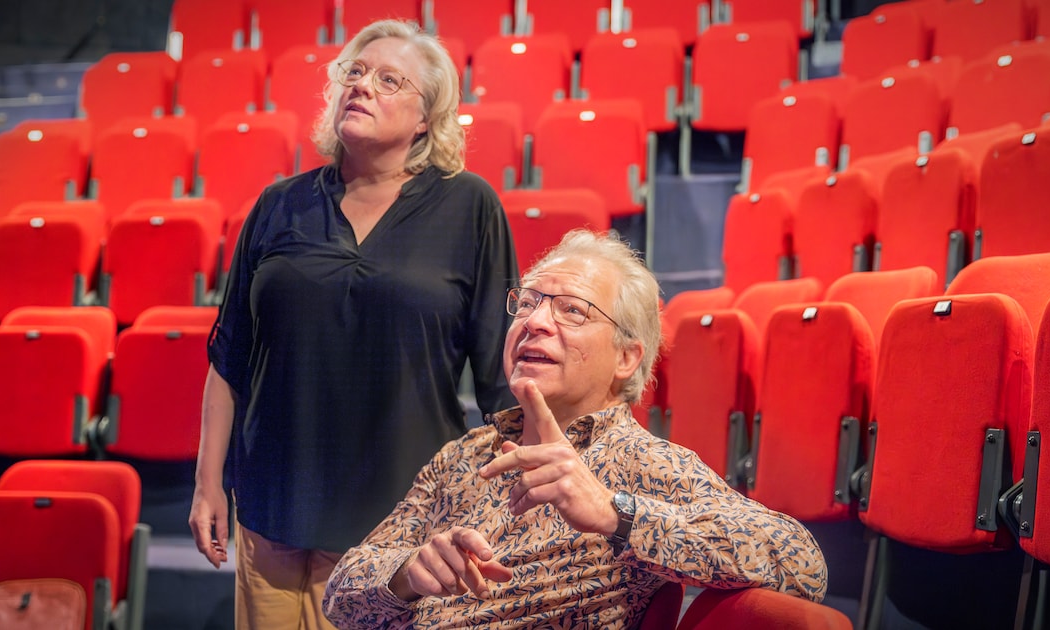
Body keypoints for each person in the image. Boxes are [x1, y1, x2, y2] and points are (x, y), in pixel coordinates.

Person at [323, 229, 829, 628]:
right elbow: (339, 595)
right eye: (528, 302)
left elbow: (801, 562)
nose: (535, 322)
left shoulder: (646, 463)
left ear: (626, 357)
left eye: (571, 310)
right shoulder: (464, 455)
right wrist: (408, 573)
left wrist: (618, 514)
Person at [189, 19, 519, 630]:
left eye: (388, 79)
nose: (362, 86)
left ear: (426, 118)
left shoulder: (469, 206)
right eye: (355, 73)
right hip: (271, 511)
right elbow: (230, 358)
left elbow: (501, 379)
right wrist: (210, 482)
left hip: (398, 528)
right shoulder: (278, 204)